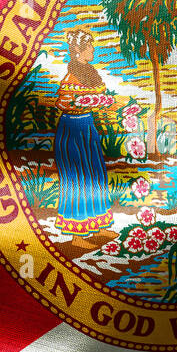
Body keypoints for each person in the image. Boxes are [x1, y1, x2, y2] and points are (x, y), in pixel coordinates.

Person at [53, 28, 112, 248]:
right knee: (77, 178)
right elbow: (64, 103)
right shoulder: (71, 76)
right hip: (73, 129)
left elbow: (99, 97)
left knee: (95, 173)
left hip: (87, 126)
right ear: (78, 49)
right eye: (89, 46)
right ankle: (77, 236)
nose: (93, 50)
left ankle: (99, 224)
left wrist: (100, 103)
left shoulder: (90, 72)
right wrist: (86, 103)